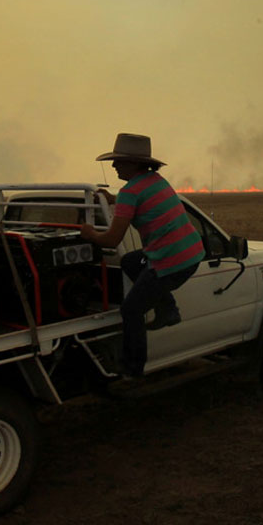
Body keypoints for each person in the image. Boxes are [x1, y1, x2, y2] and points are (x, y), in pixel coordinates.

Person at [80, 133, 204, 379]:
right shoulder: (155, 180)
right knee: (130, 262)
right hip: (190, 253)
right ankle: (168, 309)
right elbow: (138, 201)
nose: (114, 165)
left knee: (131, 310)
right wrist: (114, 200)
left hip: (170, 261)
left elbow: (112, 240)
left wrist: (90, 233)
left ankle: (132, 369)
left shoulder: (131, 192)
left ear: (134, 164)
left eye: (119, 161)